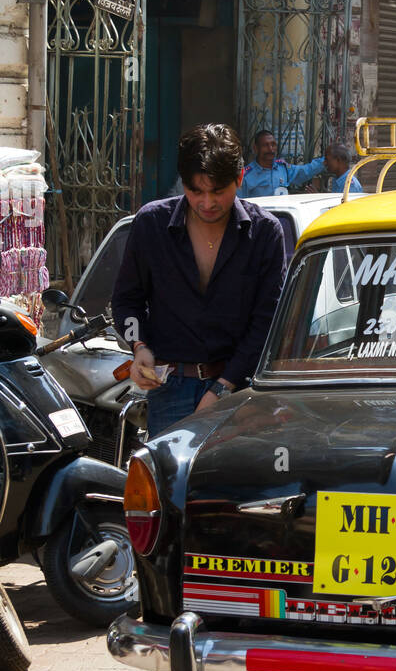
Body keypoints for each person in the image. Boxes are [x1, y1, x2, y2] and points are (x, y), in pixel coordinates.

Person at [112, 123, 287, 438]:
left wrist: (222, 388)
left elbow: (267, 322)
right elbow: (127, 302)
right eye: (196, 191)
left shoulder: (264, 233)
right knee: (170, 484)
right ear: (183, 184)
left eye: (218, 191)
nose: (207, 203)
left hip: (242, 392)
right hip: (170, 392)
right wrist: (139, 347)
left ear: (239, 178)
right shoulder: (151, 224)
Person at [238, 129, 325, 198]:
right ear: (256, 148)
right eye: (265, 145)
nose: (271, 149)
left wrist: (325, 161)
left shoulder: (283, 168)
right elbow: (240, 204)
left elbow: (305, 171)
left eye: (273, 144)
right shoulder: (246, 175)